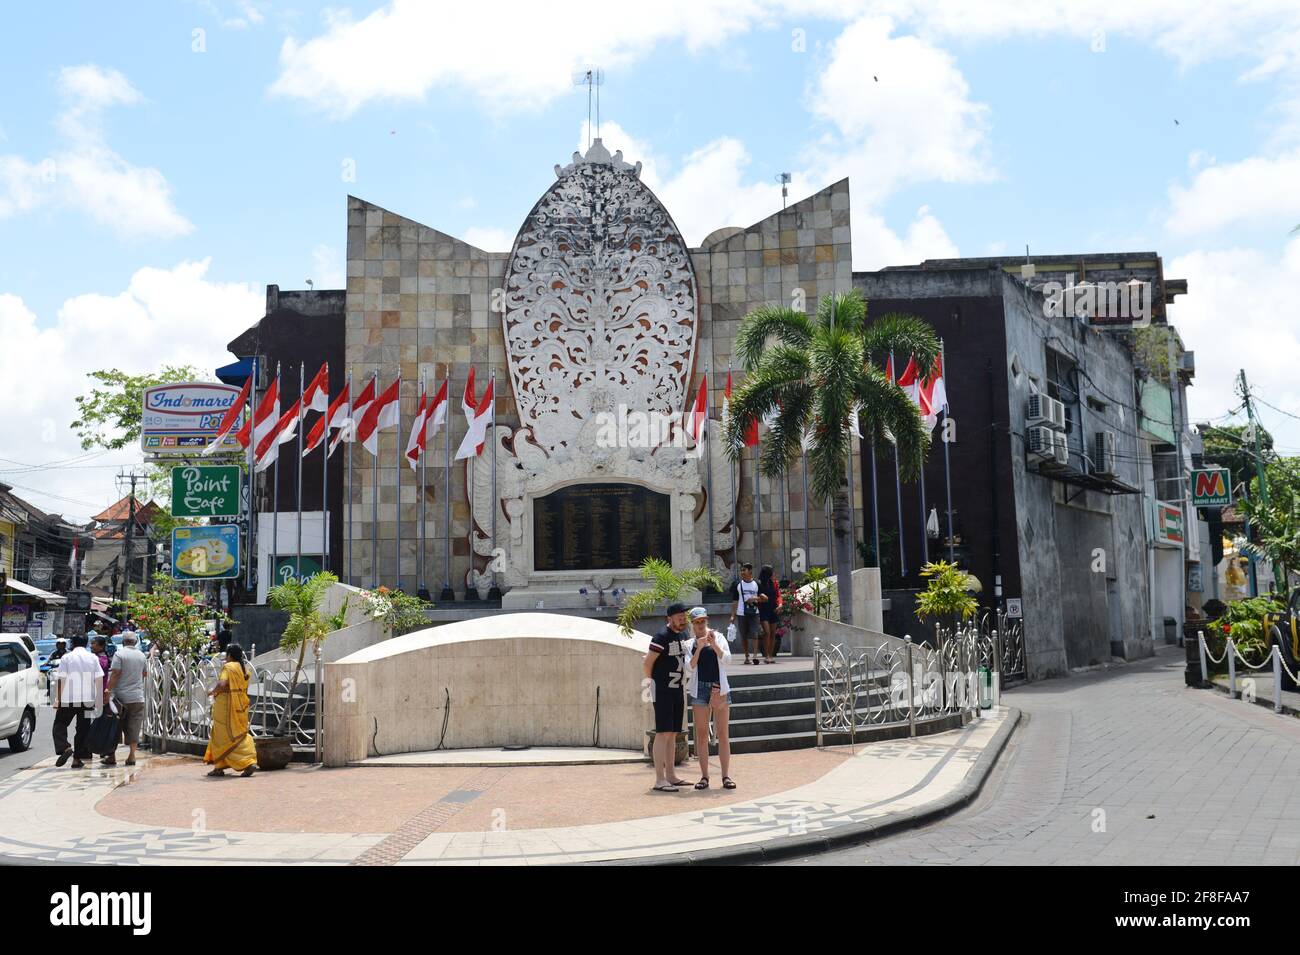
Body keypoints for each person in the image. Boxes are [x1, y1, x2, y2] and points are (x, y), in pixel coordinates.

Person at [684, 606, 736, 791]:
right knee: (701, 735)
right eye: (697, 622)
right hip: (700, 690)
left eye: (703, 621)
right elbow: (689, 668)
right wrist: (698, 648)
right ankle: (704, 776)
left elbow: (727, 659)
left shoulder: (718, 637)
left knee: (723, 734)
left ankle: (725, 776)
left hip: (720, 688)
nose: (700, 625)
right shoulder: (689, 644)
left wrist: (713, 644)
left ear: (707, 621)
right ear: (693, 624)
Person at [642, 602, 692, 793]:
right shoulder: (661, 636)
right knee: (662, 733)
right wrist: (652, 682)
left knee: (673, 733)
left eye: (684, 616)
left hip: (678, 689)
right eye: (679, 616)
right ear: (669, 618)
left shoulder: (683, 636)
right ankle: (659, 779)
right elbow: (648, 663)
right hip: (662, 690)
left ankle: (671, 775)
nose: (683, 618)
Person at [203, 643, 258, 777]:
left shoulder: (229, 667)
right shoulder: (244, 669)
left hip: (226, 707)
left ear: (229, 655)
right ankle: (220, 766)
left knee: (222, 736)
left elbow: (222, 684)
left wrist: (212, 692)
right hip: (240, 706)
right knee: (238, 734)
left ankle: (247, 762)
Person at [52, 635, 102, 769]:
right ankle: (76, 759)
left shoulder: (67, 658)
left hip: (69, 698)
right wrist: (99, 700)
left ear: (72, 643)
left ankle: (64, 747)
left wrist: (57, 699)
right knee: (83, 730)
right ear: (86, 644)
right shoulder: (93, 658)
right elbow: (99, 679)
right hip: (87, 700)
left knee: (60, 724)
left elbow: (61, 679)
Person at [105, 632, 147, 767]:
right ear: (135, 642)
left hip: (120, 698)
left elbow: (116, 673)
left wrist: (108, 690)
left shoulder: (120, 654)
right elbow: (145, 673)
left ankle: (112, 756)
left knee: (115, 727)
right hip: (137, 697)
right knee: (134, 726)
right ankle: (132, 756)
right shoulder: (141, 655)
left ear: (123, 642)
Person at [729, 563, 763, 664]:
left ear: (750, 571)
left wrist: (754, 598)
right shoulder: (738, 585)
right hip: (741, 613)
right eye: (741, 570)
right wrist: (732, 615)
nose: (742, 572)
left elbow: (762, 598)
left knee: (755, 634)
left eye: (744, 570)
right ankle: (747, 656)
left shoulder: (757, 584)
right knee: (743, 635)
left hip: (754, 612)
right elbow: (735, 601)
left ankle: (755, 656)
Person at [757, 565, 780, 664]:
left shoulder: (774, 583)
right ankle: (766, 655)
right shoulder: (758, 584)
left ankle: (770, 655)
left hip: (773, 609)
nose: (773, 574)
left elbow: (778, 595)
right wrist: (761, 596)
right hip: (763, 610)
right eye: (772, 572)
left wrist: (780, 604)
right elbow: (755, 596)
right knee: (767, 632)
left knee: (773, 633)